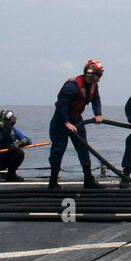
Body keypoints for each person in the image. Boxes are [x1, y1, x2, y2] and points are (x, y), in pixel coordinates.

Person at [48, 59, 105, 190]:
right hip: (60, 122)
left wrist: (98, 114)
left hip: (77, 120)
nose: (100, 78)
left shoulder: (93, 86)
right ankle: (53, 182)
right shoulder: (72, 87)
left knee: (83, 149)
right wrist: (66, 122)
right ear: (91, 74)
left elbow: (96, 100)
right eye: (99, 75)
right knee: (58, 150)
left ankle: (88, 180)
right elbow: (61, 106)